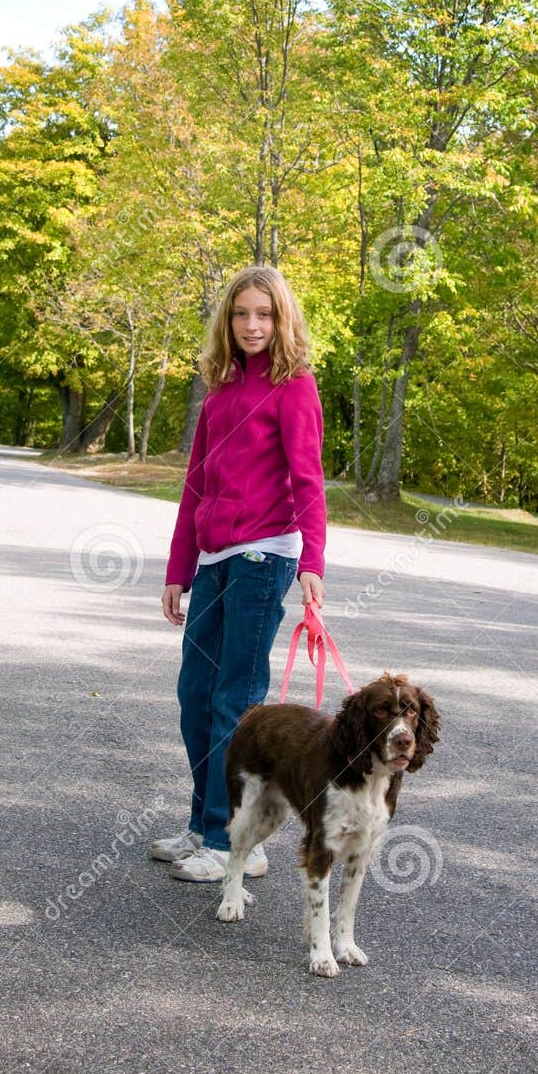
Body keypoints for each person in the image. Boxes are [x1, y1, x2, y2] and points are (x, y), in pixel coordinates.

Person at [150, 264, 327, 882]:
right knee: (194, 694)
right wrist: (178, 569)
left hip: (264, 557)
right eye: (242, 313)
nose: (253, 325)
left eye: (265, 314)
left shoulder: (295, 387)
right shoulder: (220, 390)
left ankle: (234, 845)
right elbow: (195, 486)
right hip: (212, 559)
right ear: (228, 320)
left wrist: (311, 561)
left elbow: (308, 480)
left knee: (235, 700)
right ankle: (204, 825)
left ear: (283, 321)